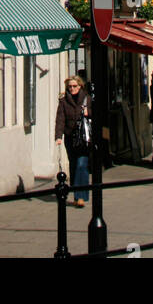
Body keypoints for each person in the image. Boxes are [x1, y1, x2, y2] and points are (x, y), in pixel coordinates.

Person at [55, 74, 93, 207]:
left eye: (74, 86)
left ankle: (80, 196)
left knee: (82, 165)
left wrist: (89, 113)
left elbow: (96, 115)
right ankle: (77, 193)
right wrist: (58, 136)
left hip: (83, 137)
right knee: (74, 165)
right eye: (70, 86)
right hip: (70, 137)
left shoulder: (87, 99)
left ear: (80, 86)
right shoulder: (64, 100)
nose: (72, 88)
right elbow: (60, 119)